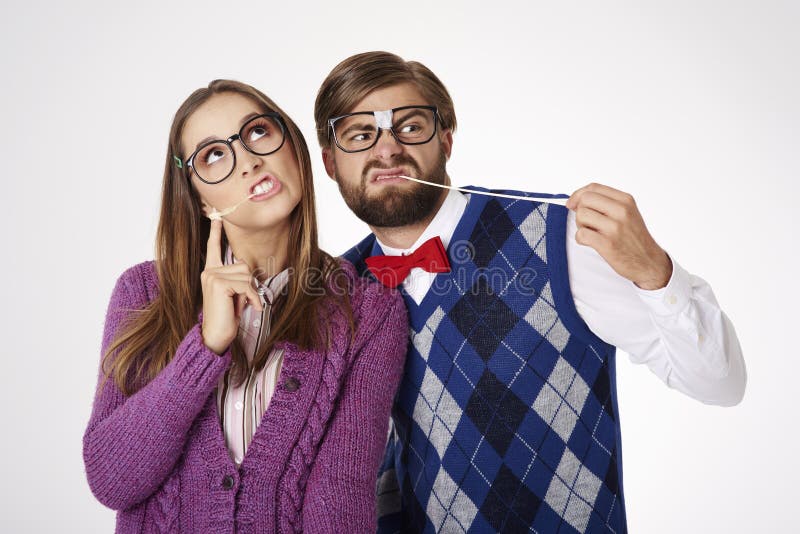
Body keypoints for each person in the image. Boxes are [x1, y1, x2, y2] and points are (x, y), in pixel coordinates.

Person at [314, 52, 747, 533]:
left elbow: (720, 384)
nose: (388, 149)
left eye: (410, 126)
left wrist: (653, 270)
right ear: (332, 163)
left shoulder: (561, 240)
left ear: (447, 140)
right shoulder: (338, 290)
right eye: (360, 134)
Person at [83, 79, 408, 533]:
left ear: (292, 146)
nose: (248, 160)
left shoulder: (369, 313)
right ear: (197, 198)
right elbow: (111, 480)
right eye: (213, 154)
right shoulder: (144, 292)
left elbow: (340, 498)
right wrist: (205, 350)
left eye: (257, 132)